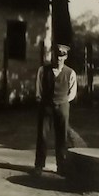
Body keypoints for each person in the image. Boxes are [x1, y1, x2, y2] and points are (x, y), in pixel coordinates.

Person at [32, 44, 77, 177]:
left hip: (62, 107)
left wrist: (62, 101)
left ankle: (61, 165)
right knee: (42, 136)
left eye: (61, 56)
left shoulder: (70, 73)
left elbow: (72, 92)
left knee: (61, 137)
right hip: (46, 107)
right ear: (52, 56)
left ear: (66, 57)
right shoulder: (43, 70)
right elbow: (38, 87)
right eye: (56, 55)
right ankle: (39, 165)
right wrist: (42, 100)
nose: (58, 58)